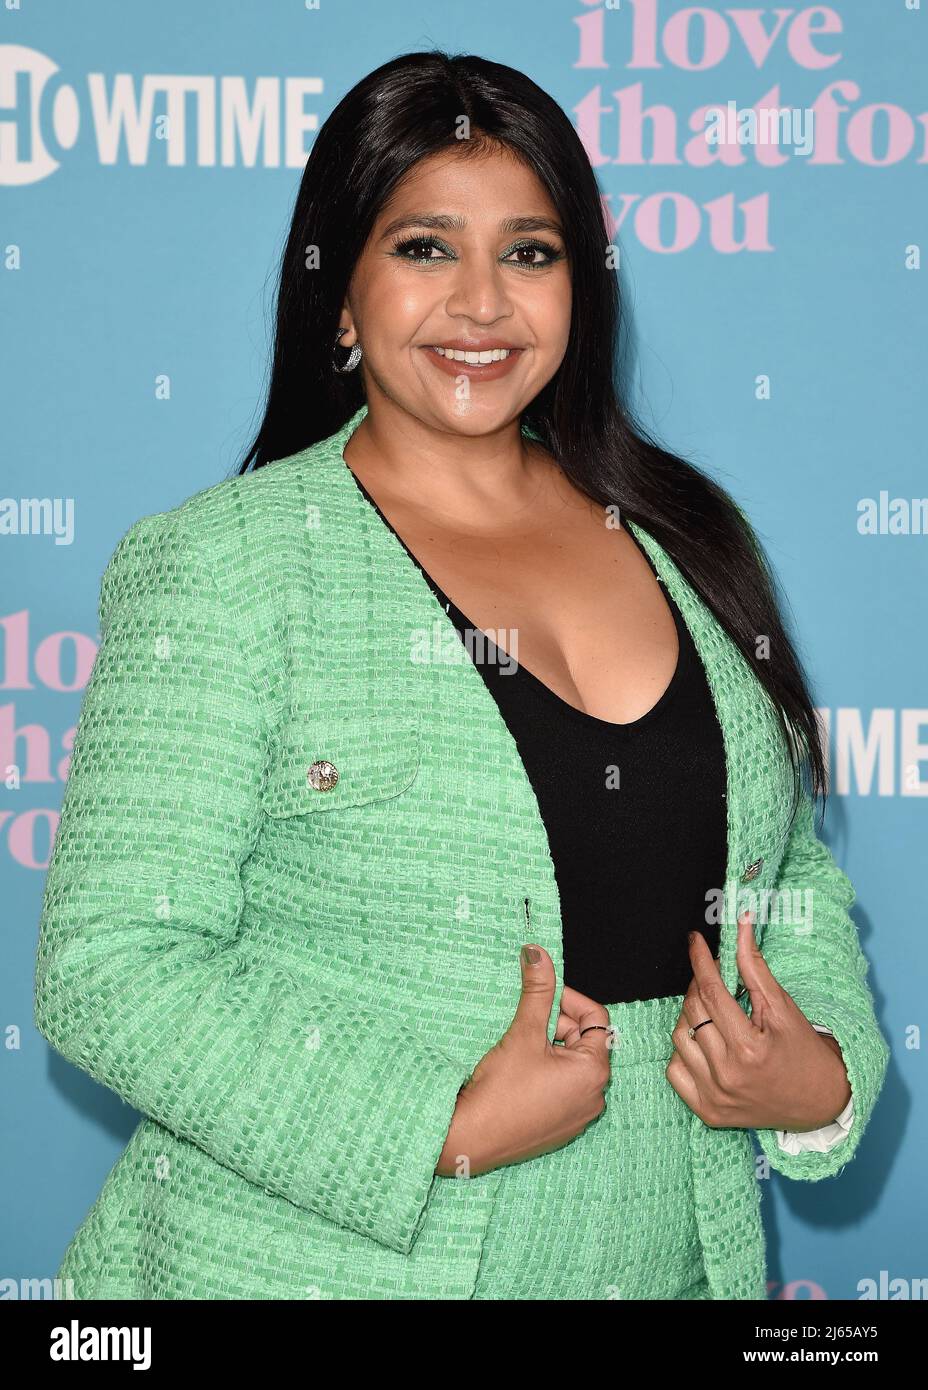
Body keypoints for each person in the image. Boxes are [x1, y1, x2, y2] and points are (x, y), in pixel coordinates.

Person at [34, 50, 889, 1301]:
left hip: (674, 1262)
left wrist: (820, 1080)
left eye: (530, 253)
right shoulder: (227, 567)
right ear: (338, 293)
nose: (482, 302)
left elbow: (785, 872)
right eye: (425, 248)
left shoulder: (684, 532)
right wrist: (435, 1120)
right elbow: (110, 966)